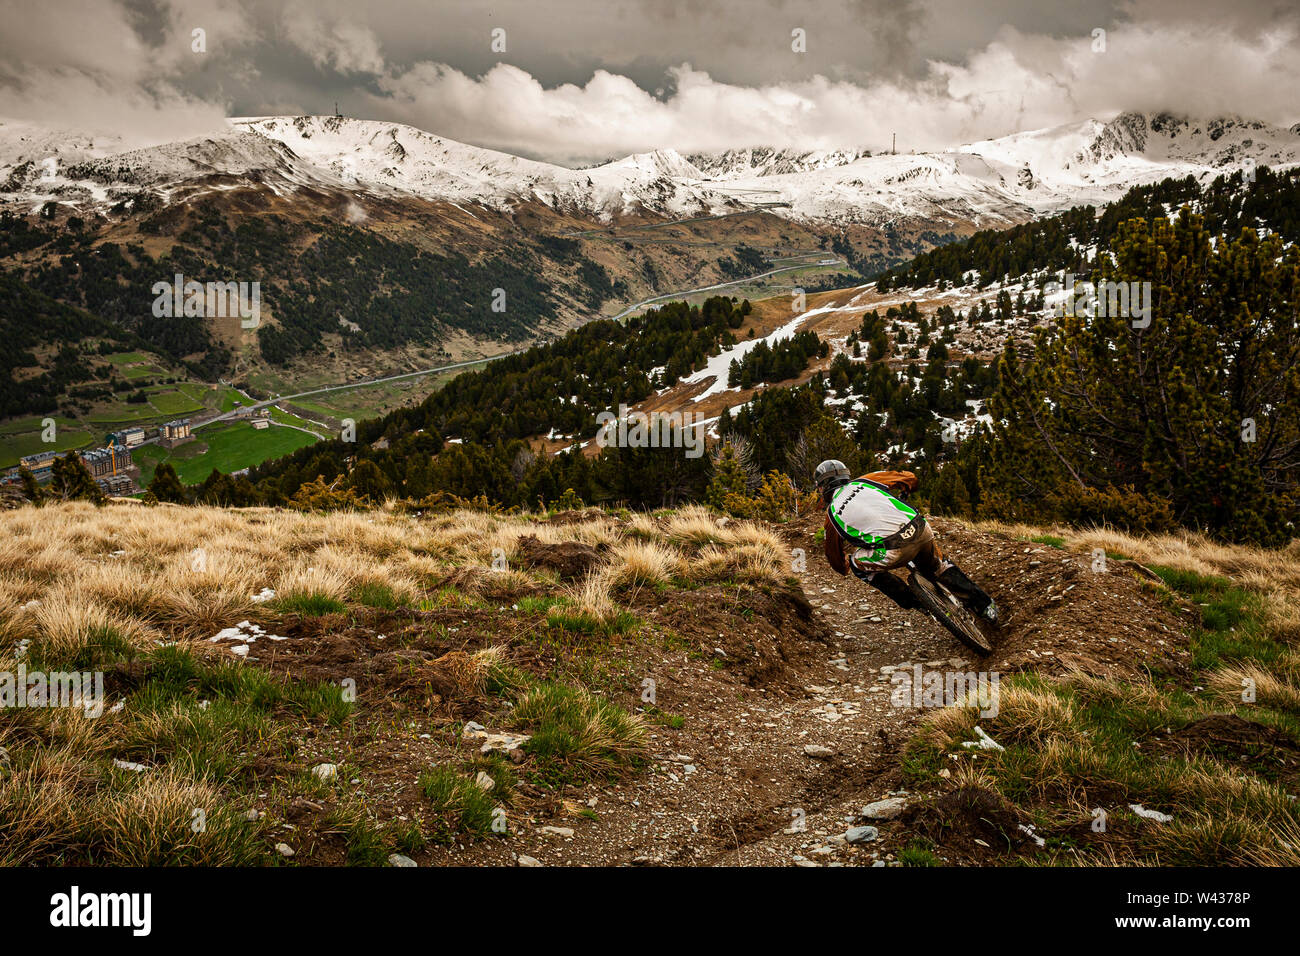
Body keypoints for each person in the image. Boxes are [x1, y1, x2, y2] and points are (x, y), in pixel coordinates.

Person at [814, 459, 997, 622]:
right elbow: (908, 477)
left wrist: (844, 566)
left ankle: (917, 602)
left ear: (825, 486)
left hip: (893, 551)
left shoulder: (831, 515)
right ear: (846, 475)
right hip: (920, 529)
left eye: (820, 487)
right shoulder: (866, 481)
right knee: (938, 566)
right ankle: (985, 605)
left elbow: (833, 555)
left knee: (857, 565)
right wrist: (907, 489)